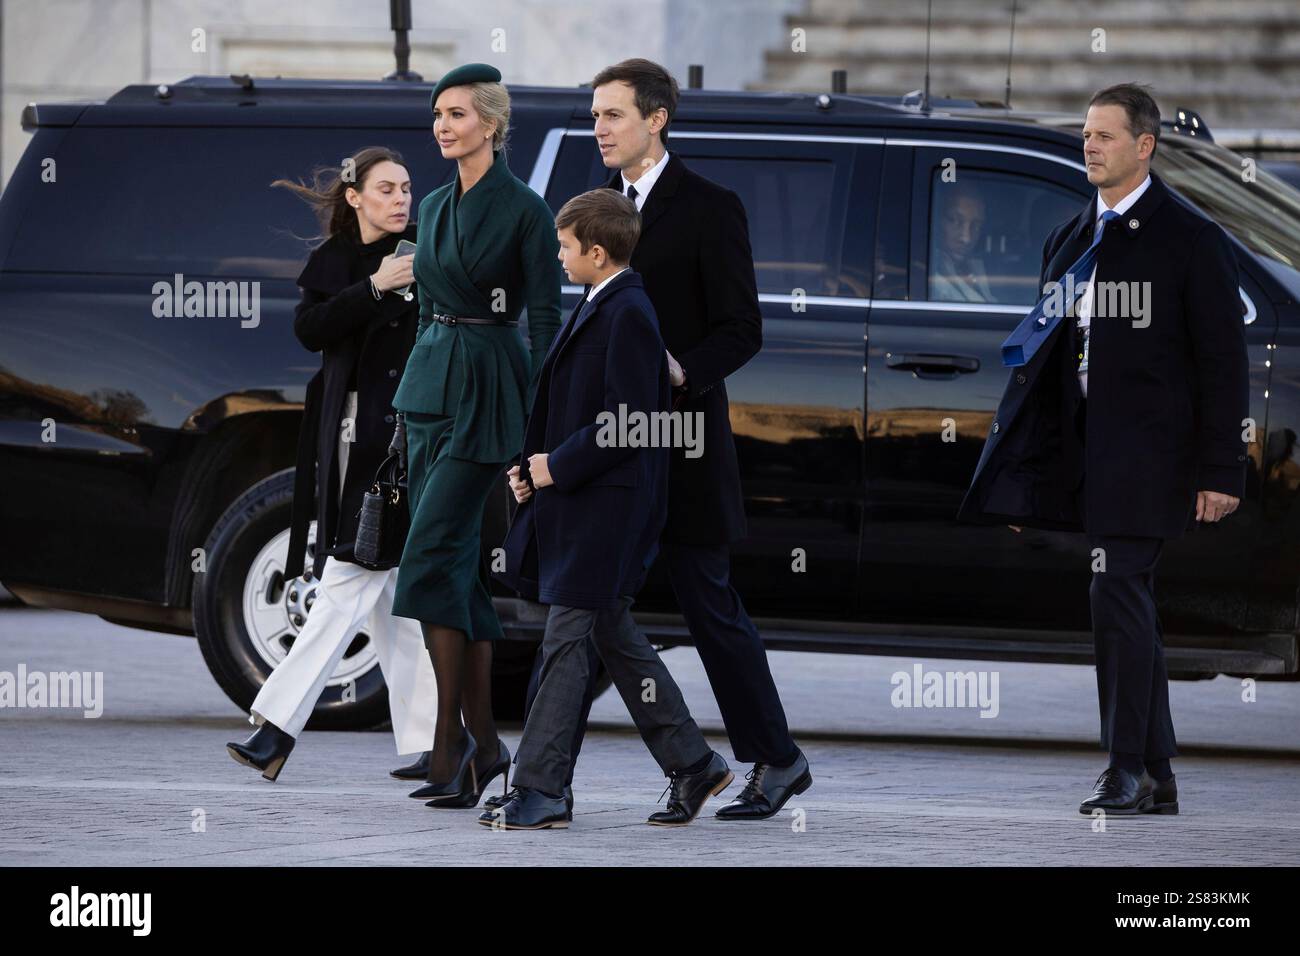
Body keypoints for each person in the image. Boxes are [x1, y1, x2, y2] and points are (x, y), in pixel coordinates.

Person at [488, 58, 811, 822]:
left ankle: (775, 757)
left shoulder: (710, 206)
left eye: (613, 115)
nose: (598, 127)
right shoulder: (596, 209)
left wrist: (680, 372)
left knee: (708, 609)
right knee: (591, 613)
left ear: (656, 119)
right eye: (595, 114)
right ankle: (652, 768)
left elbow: (743, 329)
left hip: (682, 443)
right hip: (604, 456)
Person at [959, 83, 1249, 815]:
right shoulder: (1070, 237)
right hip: (1091, 458)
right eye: (1086, 134)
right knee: (1128, 602)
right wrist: (1028, 474)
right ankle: (1156, 772)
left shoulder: (1189, 238)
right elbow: (1047, 369)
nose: (1089, 146)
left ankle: (1124, 766)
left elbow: (1223, 363)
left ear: (1144, 146)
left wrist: (1221, 469)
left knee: (1114, 592)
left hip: (1154, 461)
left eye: (1106, 136)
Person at [487, 189, 733, 829]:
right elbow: (567, 405)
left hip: (610, 511)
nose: (557, 254)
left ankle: (541, 789)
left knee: (567, 638)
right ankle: (693, 763)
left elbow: (634, 422)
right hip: (579, 502)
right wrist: (530, 468)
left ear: (597, 252)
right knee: (610, 636)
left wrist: (557, 466)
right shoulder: (599, 304)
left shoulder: (630, 312)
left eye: (565, 246)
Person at [225, 147, 437, 782]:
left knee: (348, 578)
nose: (402, 199)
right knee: (393, 598)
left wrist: (406, 280)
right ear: (355, 198)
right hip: (346, 436)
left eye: (407, 188)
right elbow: (312, 329)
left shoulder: (427, 255)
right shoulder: (337, 262)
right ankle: (444, 745)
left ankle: (277, 729)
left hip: (401, 444)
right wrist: (376, 287)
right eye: (387, 189)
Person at [388, 63, 562, 809]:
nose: (442, 126)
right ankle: (482, 749)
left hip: (489, 388)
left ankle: (458, 742)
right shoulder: (428, 205)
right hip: (428, 385)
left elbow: (547, 316)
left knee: (427, 559)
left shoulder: (526, 208)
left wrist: (545, 413)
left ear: (490, 125)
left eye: (456, 114)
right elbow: (426, 305)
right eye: (437, 114)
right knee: (456, 571)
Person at [930, 186, 993, 302]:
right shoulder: (930, 276)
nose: (966, 238)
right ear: (936, 218)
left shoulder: (980, 269)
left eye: (976, 225)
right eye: (955, 220)